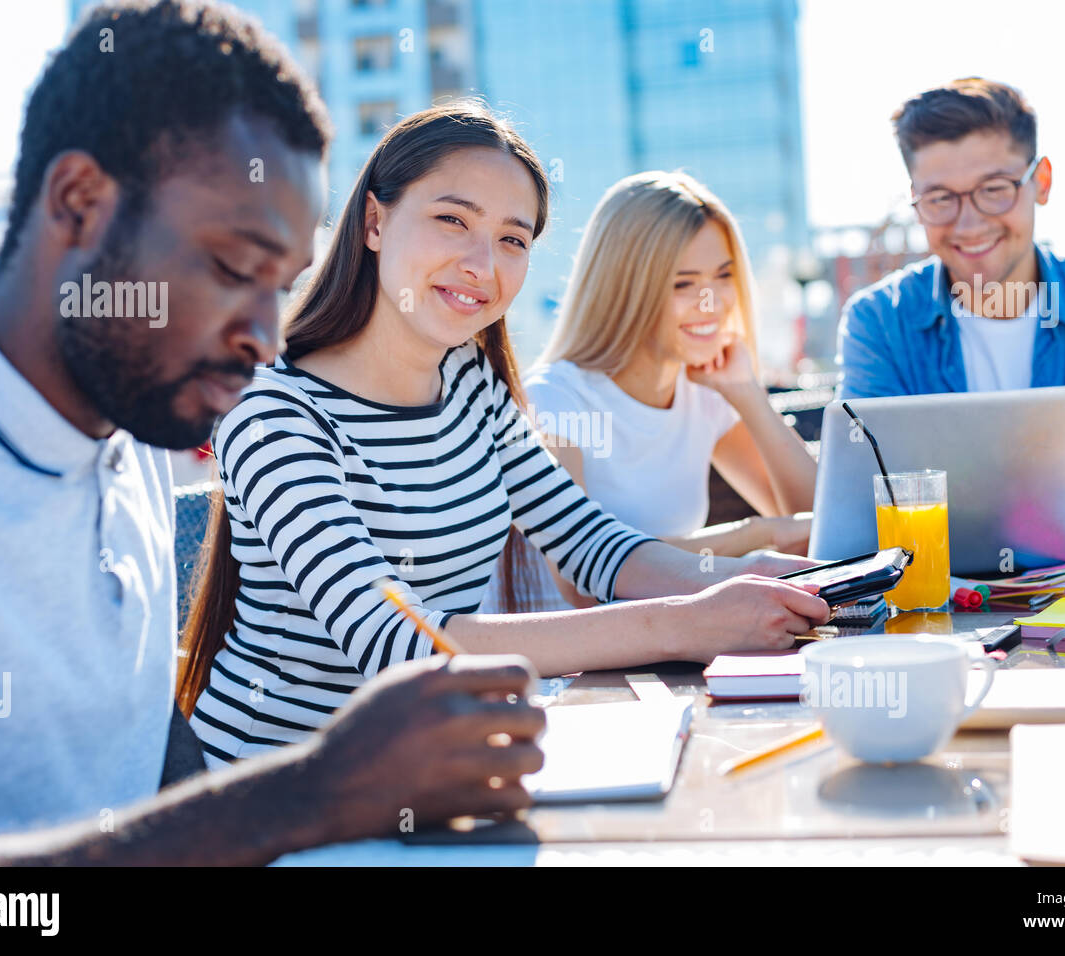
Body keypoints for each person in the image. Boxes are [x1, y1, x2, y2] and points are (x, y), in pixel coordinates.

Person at [0, 0, 544, 866]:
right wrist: (310, 794)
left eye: (278, 285)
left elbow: (141, 761)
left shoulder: (124, 429)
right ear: (79, 202)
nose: (266, 336)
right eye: (234, 269)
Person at [180, 103, 830, 768]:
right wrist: (688, 622)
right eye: (452, 220)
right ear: (375, 223)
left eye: (512, 240)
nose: (481, 264)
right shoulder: (271, 410)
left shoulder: (467, 380)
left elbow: (590, 544)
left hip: (442, 770)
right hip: (279, 799)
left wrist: (741, 577)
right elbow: (399, 642)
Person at [836, 77, 1065, 559]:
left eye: (994, 189)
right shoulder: (878, 324)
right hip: (935, 607)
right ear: (916, 200)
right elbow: (863, 498)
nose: (969, 224)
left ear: (1042, 182)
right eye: (940, 199)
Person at [481, 170, 816, 613]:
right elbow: (582, 584)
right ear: (626, 288)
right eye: (683, 283)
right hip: (566, 675)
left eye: (723, 276)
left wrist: (747, 394)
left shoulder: (704, 396)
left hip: (664, 658)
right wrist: (755, 536)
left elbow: (816, 521)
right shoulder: (556, 400)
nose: (711, 302)